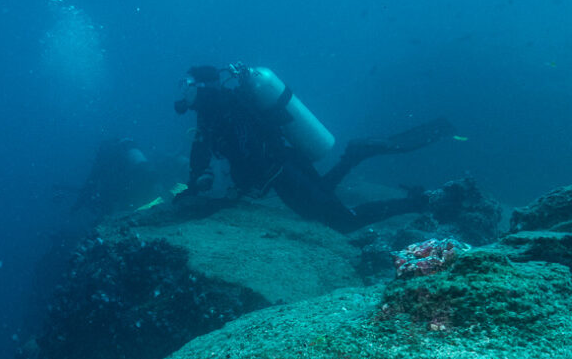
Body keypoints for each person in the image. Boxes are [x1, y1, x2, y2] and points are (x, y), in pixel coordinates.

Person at [173, 64, 453, 233]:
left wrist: (242, 187)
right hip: (288, 160)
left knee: (343, 221)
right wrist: (194, 182)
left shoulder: (225, 111)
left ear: (201, 87)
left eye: (187, 85)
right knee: (324, 196)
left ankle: (417, 202)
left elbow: (251, 152)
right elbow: (202, 150)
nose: (184, 92)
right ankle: (353, 157)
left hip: (282, 172)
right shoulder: (215, 110)